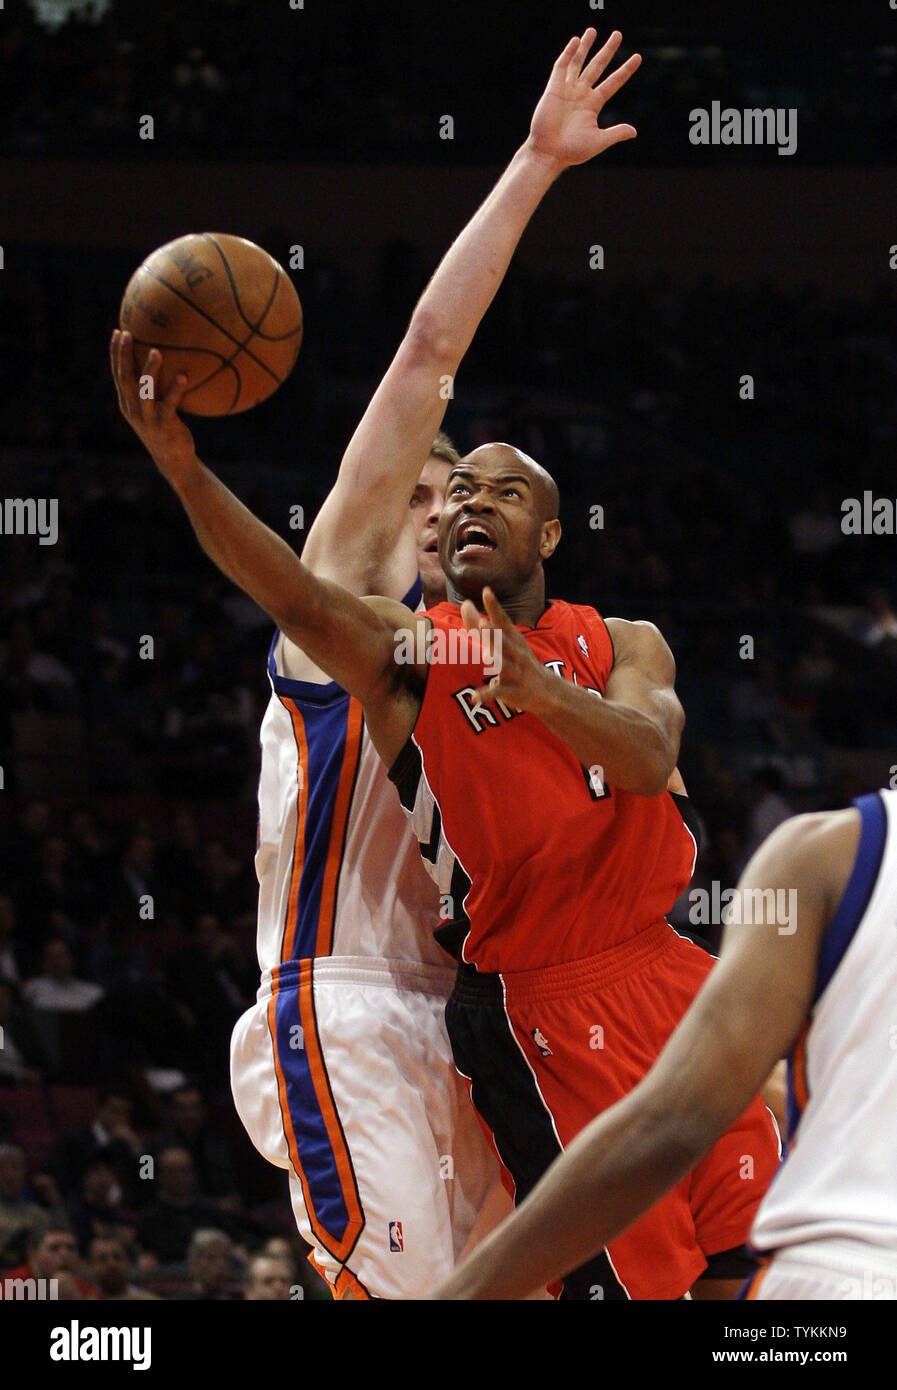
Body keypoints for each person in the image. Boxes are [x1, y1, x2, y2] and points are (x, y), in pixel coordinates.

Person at [112, 27, 644, 1299]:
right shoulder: (345, 606)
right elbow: (423, 354)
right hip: (343, 1006)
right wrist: (532, 164)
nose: (447, 510)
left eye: (466, 495)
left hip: (479, 1021)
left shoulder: (510, 664)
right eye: (424, 490)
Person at [428, 793, 895, 1301]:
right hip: (556, 998)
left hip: (835, 1260)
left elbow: (671, 1125)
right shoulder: (824, 855)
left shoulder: (819, 854)